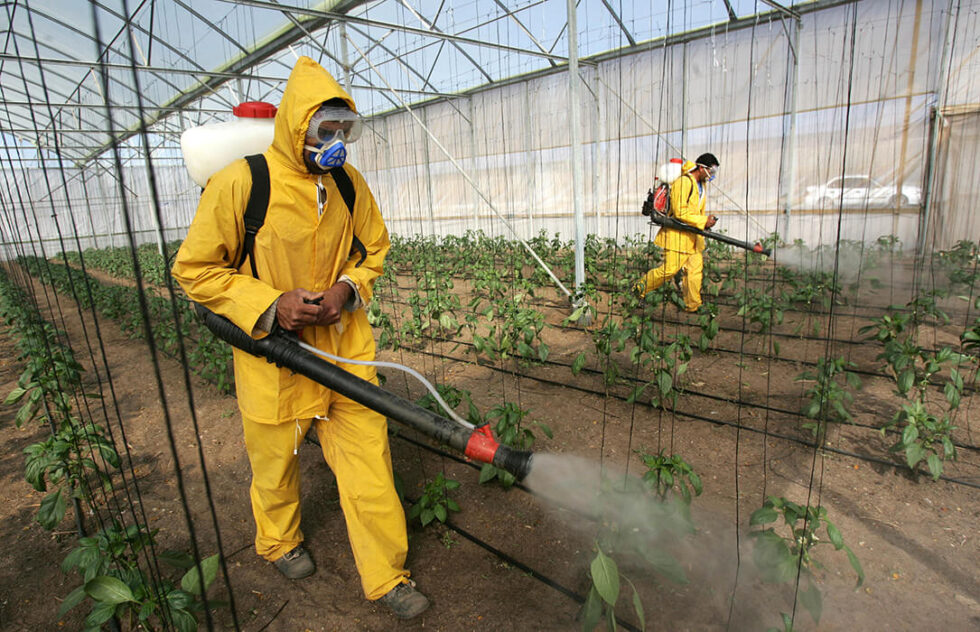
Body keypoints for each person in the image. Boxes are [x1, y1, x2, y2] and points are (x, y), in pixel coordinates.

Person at [172, 56, 429, 620]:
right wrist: (269, 304)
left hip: (344, 347)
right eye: (324, 131)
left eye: (344, 131)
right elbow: (194, 270)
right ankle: (278, 540)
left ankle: (388, 576)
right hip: (274, 357)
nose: (335, 143)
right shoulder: (244, 182)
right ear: (295, 127)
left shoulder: (347, 183)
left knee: (368, 459)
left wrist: (345, 289)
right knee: (276, 462)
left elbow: (374, 250)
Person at [634, 153, 720, 313]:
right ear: (701, 168)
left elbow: (695, 210)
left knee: (694, 272)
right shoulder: (683, 182)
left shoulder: (702, 184)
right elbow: (680, 211)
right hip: (678, 237)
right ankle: (639, 289)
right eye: (711, 171)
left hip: (694, 237)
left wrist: (705, 223)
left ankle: (693, 306)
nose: (712, 175)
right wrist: (703, 221)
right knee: (669, 270)